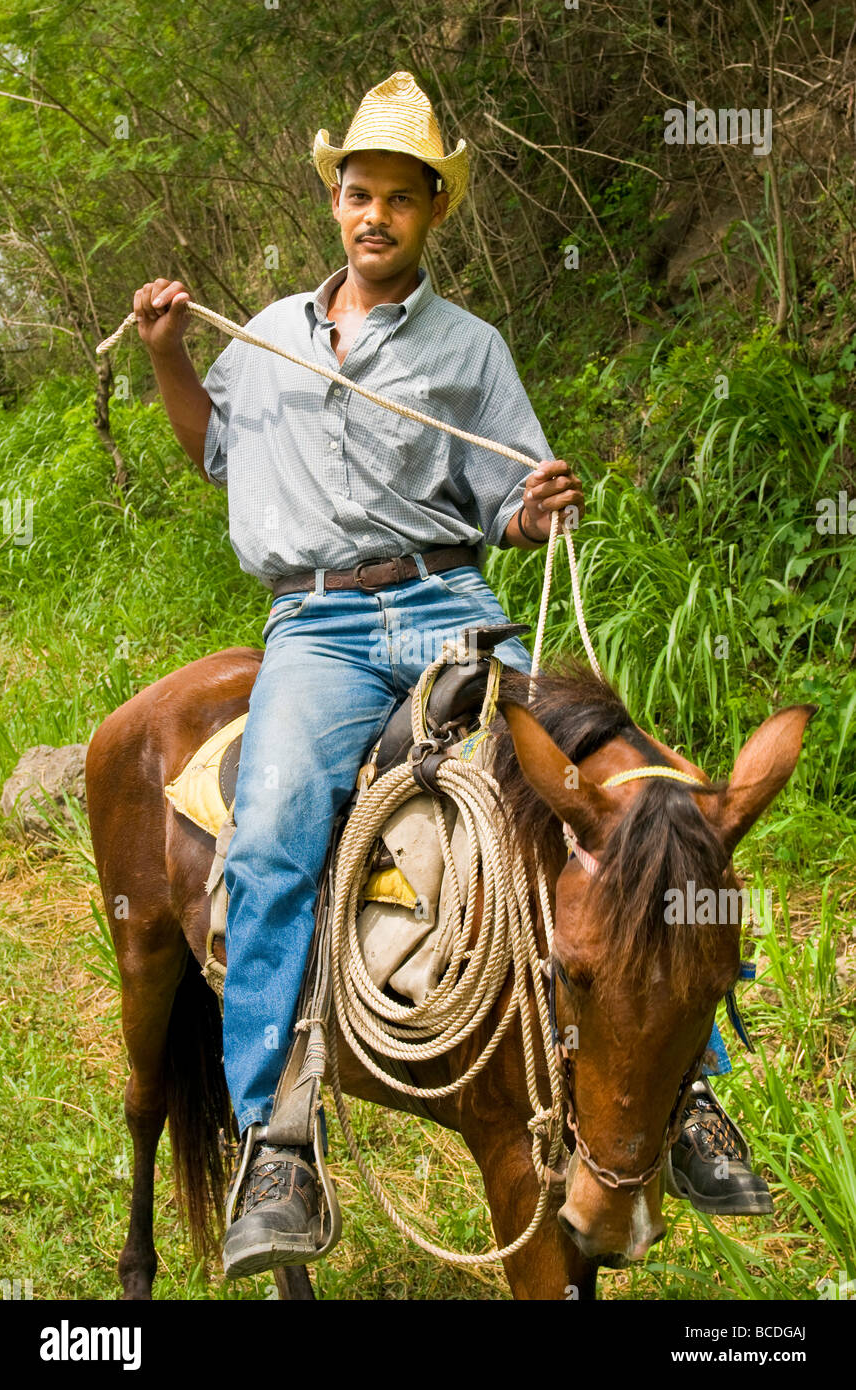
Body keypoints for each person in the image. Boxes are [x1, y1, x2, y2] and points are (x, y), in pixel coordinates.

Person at [132, 72, 771, 1280]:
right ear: (333, 198)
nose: (374, 215)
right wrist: (169, 352)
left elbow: (511, 500)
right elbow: (214, 451)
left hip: (449, 608)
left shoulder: (468, 347)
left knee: (633, 810)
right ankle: (278, 1138)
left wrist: (534, 509)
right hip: (317, 629)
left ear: (432, 213)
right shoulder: (261, 336)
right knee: (269, 825)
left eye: (400, 199)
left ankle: (683, 1098)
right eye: (356, 192)